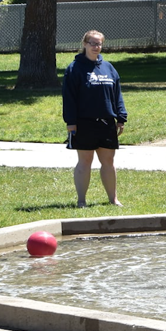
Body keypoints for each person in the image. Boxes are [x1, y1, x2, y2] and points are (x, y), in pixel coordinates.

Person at [63, 29, 126, 208]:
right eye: (92, 43)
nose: (96, 47)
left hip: (107, 122)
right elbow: (69, 97)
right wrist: (71, 122)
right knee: (85, 162)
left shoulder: (108, 68)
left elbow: (117, 94)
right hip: (83, 123)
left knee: (108, 162)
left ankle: (113, 199)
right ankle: (81, 201)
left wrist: (121, 117)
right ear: (84, 44)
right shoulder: (74, 68)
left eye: (99, 44)